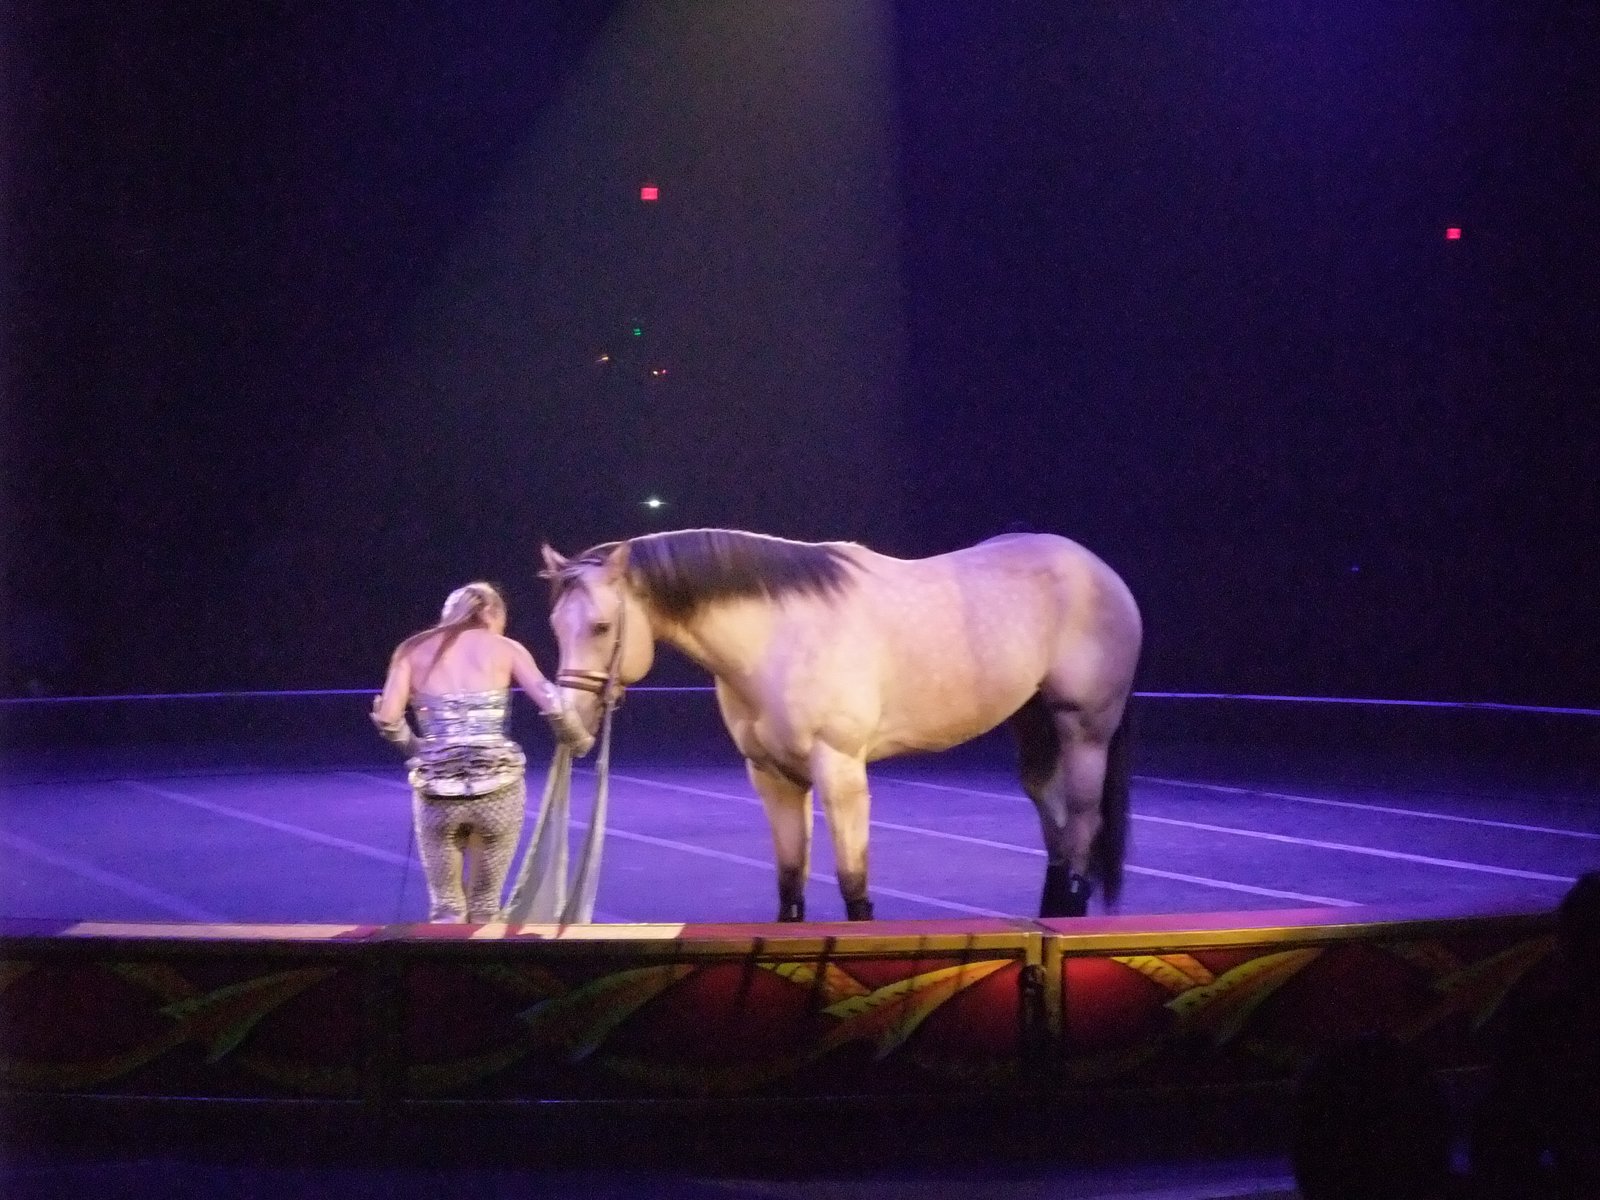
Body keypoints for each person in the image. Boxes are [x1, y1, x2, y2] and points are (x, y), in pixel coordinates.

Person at [370, 581, 592, 923]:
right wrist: (579, 741)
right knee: (487, 907)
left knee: (446, 907)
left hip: (436, 796)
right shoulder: (506, 648)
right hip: (498, 789)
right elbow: (555, 705)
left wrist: (419, 751)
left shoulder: (412, 650)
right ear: (494, 614)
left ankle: (442, 972)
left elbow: (387, 719)